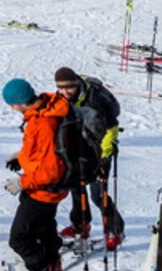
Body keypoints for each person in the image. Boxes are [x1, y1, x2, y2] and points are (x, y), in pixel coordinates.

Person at [1, 78, 72, 271]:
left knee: (19, 239)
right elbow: (41, 151)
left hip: (42, 192)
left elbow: (51, 171)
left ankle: (41, 266)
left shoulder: (44, 123)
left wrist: (22, 183)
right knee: (44, 231)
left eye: (13, 105)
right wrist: (21, 157)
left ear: (22, 102)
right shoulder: (41, 112)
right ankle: (52, 262)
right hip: (43, 190)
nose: (13, 109)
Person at [52, 67, 123, 250]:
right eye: (61, 88)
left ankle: (115, 230)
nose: (65, 92)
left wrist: (105, 156)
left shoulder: (94, 99)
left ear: (76, 84)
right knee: (77, 188)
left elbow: (111, 128)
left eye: (69, 88)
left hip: (98, 149)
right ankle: (80, 225)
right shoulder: (60, 99)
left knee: (99, 194)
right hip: (77, 148)